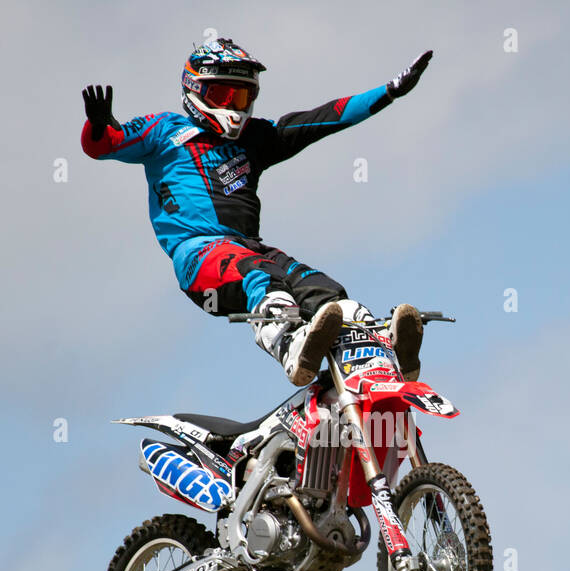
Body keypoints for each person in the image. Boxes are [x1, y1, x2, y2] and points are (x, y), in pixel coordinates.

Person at [81, 37, 432, 385]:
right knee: (260, 273)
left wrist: (389, 92)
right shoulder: (164, 130)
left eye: (242, 96)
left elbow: (322, 119)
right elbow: (104, 145)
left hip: (249, 245)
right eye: (223, 96)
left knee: (326, 291)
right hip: (198, 255)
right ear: (195, 90)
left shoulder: (255, 137)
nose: (234, 106)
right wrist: (98, 125)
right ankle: (292, 348)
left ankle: (379, 353)